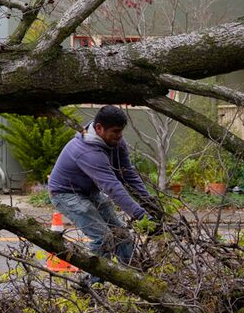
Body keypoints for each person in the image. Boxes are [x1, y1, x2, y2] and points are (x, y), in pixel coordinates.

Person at [47, 105, 163, 266]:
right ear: (99, 128)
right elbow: (112, 187)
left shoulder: (116, 142)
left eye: (121, 131)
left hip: (89, 192)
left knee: (122, 234)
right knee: (103, 238)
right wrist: (141, 215)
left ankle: (134, 276)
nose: (120, 135)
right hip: (65, 194)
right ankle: (94, 286)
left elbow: (127, 173)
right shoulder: (87, 152)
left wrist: (148, 202)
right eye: (115, 131)